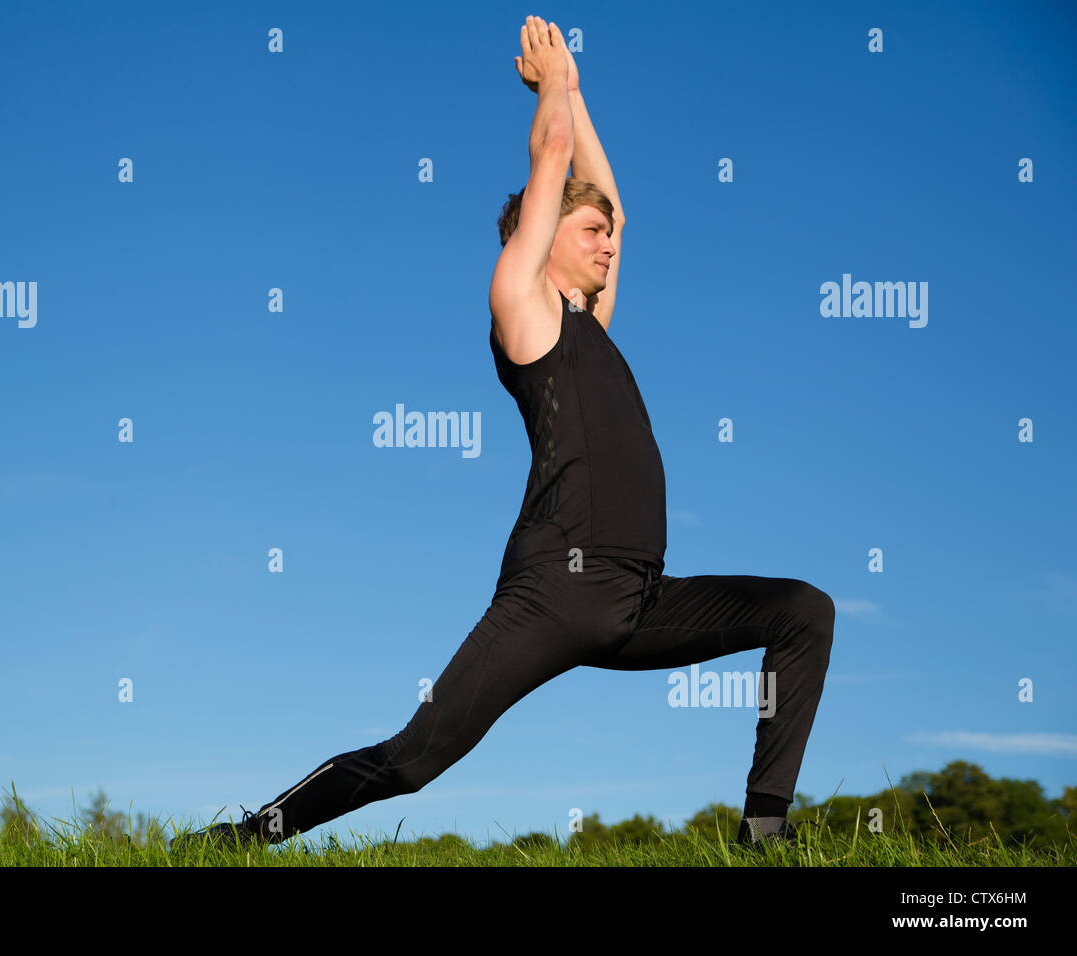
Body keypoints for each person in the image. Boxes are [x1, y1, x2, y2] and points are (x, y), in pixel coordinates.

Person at [172, 16, 834, 856]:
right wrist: (553, 89)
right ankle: (236, 839)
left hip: (642, 599)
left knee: (803, 611)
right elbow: (553, 158)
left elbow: (611, 201)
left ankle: (764, 832)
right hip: (555, 590)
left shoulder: (594, 325)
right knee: (413, 759)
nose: (607, 241)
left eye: (603, 234)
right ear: (540, 234)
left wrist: (580, 93)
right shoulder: (526, 312)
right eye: (587, 232)